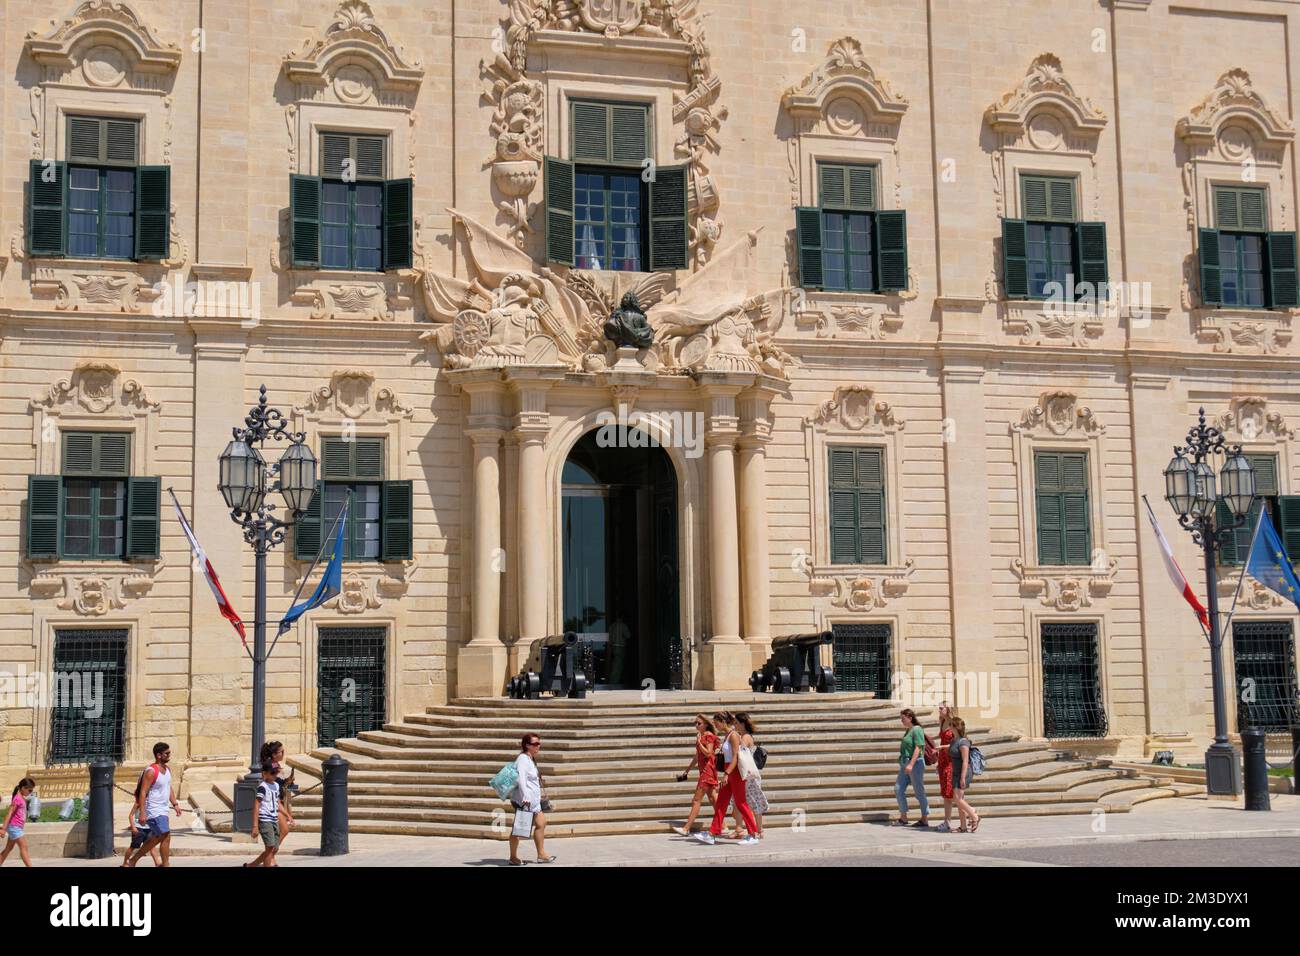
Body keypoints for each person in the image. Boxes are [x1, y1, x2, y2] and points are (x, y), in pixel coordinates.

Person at [697, 711, 758, 846]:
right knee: (721, 803)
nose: (715, 725)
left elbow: (736, 756)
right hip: (729, 771)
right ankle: (712, 833)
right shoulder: (727, 735)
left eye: (716, 722)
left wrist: (727, 773)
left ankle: (753, 834)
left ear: (723, 721)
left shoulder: (734, 735)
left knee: (741, 803)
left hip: (734, 772)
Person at [125, 741, 182, 867]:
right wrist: (143, 813)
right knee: (164, 834)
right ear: (158, 755)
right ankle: (164, 864)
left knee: (163, 836)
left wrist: (175, 804)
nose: (169, 755)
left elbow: (169, 787)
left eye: (169, 753)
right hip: (153, 809)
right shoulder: (151, 771)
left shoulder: (167, 770)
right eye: (167, 753)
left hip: (164, 809)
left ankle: (136, 860)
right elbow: (143, 792)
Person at [509, 733, 555, 865]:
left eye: (539, 743)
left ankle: (541, 854)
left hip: (534, 803)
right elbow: (521, 778)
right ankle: (513, 857)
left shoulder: (531, 759)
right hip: (525, 801)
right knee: (519, 830)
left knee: (541, 824)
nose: (538, 746)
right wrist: (525, 796)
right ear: (527, 745)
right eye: (535, 744)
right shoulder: (523, 759)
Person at [673, 714, 720, 836]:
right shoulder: (701, 736)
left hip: (707, 771)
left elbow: (709, 753)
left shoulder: (708, 736)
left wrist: (699, 743)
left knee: (696, 800)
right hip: (705, 771)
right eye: (695, 723)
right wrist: (687, 770)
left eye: (699, 723)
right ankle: (723, 825)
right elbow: (697, 756)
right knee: (713, 799)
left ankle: (686, 828)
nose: (696, 725)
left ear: (706, 724)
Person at [892, 709, 929, 828]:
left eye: (903, 718)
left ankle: (924, 818)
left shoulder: (917, 729)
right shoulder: (908, 730)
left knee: (919, 792)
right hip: (905, 763)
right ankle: (903, 817)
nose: (901, 720)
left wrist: (911, 764)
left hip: (915, 763)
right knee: (898, 789)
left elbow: (918, 747)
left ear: (910, 718)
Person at [734, 713, 768, 839]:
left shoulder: (746, 737)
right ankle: (740, 828)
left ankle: (759, 830)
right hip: (744, 775)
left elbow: (738, 751)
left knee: (755, 802)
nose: (734, 725)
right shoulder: (741, 735)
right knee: (741, 803)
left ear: (742, 724)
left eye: (736, 723)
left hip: (750, 776)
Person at [260, 741, 296, 850]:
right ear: (274, 754)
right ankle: (270, 854)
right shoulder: (273, 765)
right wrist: (286, 781)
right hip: (273, 803)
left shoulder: (276, 764)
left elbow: (278, 782)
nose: (283, 753)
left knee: (281, 831)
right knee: (283, 830)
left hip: (277, 801)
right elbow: (274, 782)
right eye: (282, 751)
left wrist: (288, 782)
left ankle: (271, 854)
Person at [122, 770, 162, 867]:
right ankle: (125, 863)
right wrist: (133, 827)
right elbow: (131, 815)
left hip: (149, 828)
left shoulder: (153, 802)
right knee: (133, 847)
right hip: (139, 828)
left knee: (152, 847)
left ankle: (158, 863)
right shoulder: (139, 802)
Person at [245, 762, 282, 867]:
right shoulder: (263, 787)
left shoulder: (276, 785)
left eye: (276, 772)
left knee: (274, 848)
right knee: (270, 847)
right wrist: (255, 826)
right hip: (265, 820)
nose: (275, 775)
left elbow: (277, 802)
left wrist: (287, 815)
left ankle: (251, 865)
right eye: (272, 772)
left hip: (274, 819)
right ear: (264, 774)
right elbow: (257, 805)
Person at [950, 717, 981, 833]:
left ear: (955, 727)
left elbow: (965, 761)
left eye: (951, 725)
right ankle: (963, 826)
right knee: (960, 799)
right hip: (956, 772)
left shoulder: (963, 742)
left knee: (957, 799)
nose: (949, 728)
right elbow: (951, 750)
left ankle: (974, 815)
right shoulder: (954, 740)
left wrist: (963, 777)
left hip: (963, 772)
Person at [0, 778, 35, 867]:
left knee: (8, 849)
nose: (30, 792)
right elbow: (10, 813)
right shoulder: (17, 799)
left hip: (17, 827)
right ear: (23, 788)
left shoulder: (21, 798)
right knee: (24, 847)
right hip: (14, 827)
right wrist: (3, 829)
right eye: (29, 790)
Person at [933, 702, 957, 833]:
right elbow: (942, 739)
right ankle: (947, 822)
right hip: (942, 760)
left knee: (951, 794)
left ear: (948, 709)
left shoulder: (954, 723)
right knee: (946, 794)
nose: (939, 710)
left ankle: (972, 815)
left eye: (942, 708)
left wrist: (941, 747)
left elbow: (957, 743)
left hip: (951, 761)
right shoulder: (942, 722)